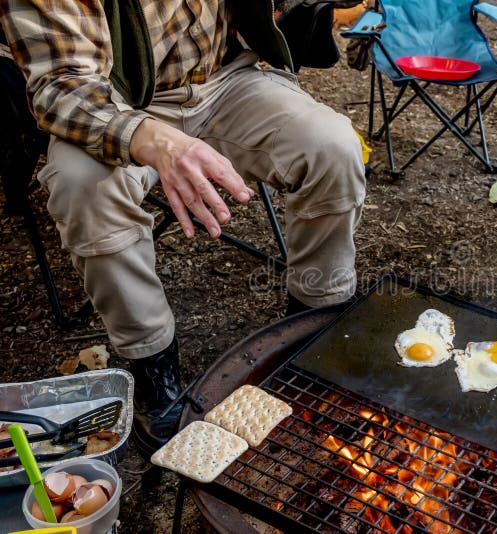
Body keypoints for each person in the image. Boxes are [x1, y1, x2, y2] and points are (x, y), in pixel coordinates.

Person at [0, 1, 366, 454]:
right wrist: (154, 140)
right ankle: (155, 376)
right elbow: (60, 86)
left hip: (227, 81)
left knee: (332, 146)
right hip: (118, 105)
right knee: (82, 186)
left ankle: (311, 332)